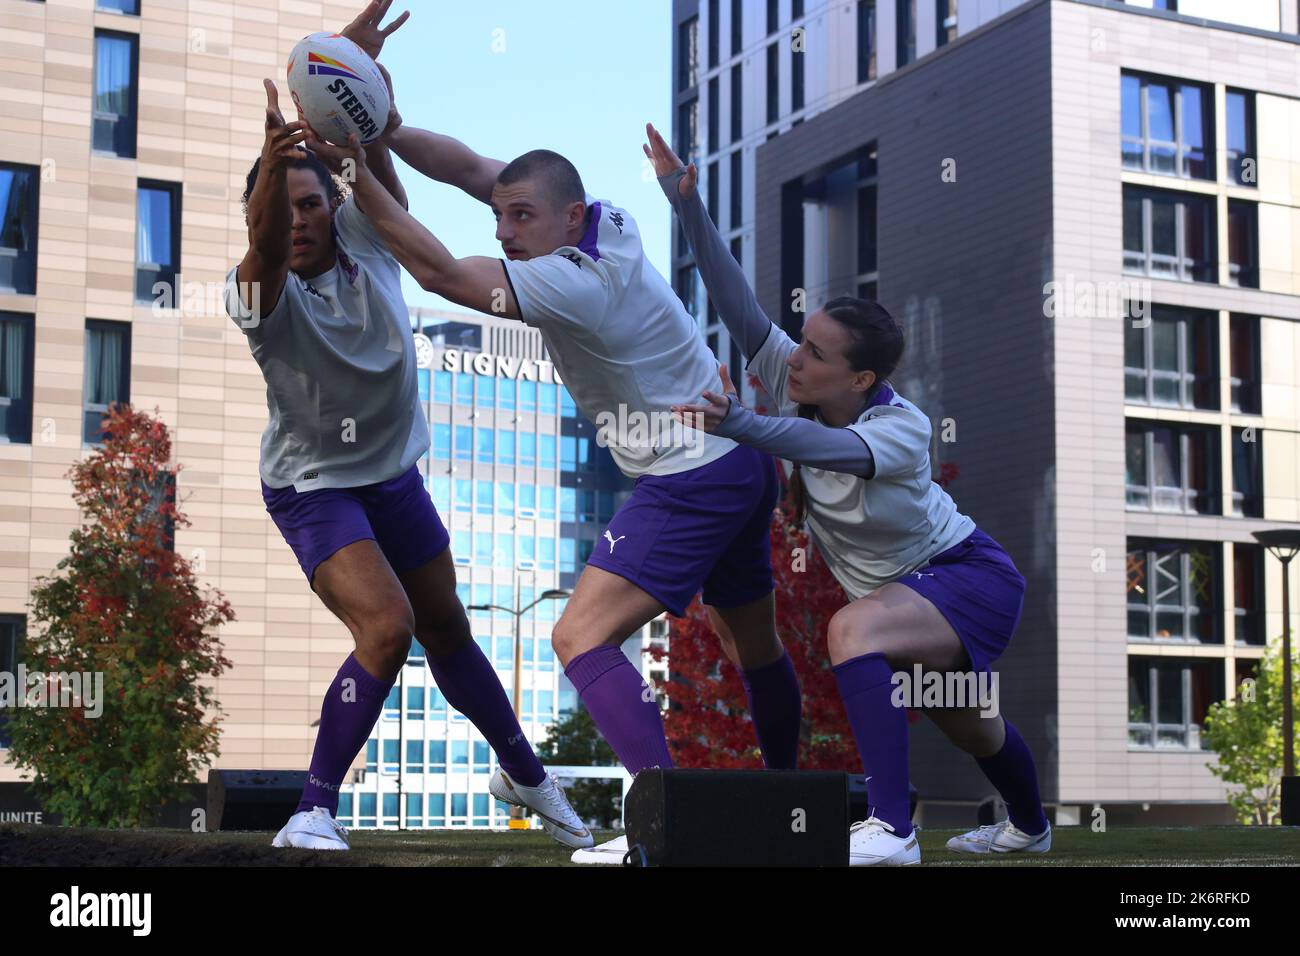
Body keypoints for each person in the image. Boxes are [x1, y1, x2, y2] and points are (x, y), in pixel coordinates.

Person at [302, 105, 803, 863]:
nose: (503, 230)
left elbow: (438, 272)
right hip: (738, 464)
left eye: (521, 217)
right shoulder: (610, 221)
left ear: (569, 219)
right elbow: (476, 170)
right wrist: (384, 127)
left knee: (578, 636)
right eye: (501, 216)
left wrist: (351, 166)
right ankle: (788, 809)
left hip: (690, 473)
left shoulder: (577, 282)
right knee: (750, 642)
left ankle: (661, 831)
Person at [222, 0, 589, 851]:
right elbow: (265, 242)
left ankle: (526, 775)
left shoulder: (366, 232)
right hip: (314, 488)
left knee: (448, 628)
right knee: (386, 630)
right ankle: (313, 809)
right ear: (266, 214)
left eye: (316, 202)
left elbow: (371, 171)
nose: (306, 216)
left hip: (392, 473)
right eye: (288, 204)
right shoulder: (257, 295)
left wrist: (356, 84)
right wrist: (274, 176)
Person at [644, 123, 1051, 866]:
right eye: (800, 341)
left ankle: (892, 830)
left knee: (852, 632)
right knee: (973, 728)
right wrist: (686, 206)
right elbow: (736, 303)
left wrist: (741, 421)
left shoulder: (900, 428)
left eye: (816, 354)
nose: (795, 359)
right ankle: (1031, 824)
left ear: (860, 380)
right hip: (907, 598)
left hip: (968, 578)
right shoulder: (799, 381)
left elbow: (828, 449)